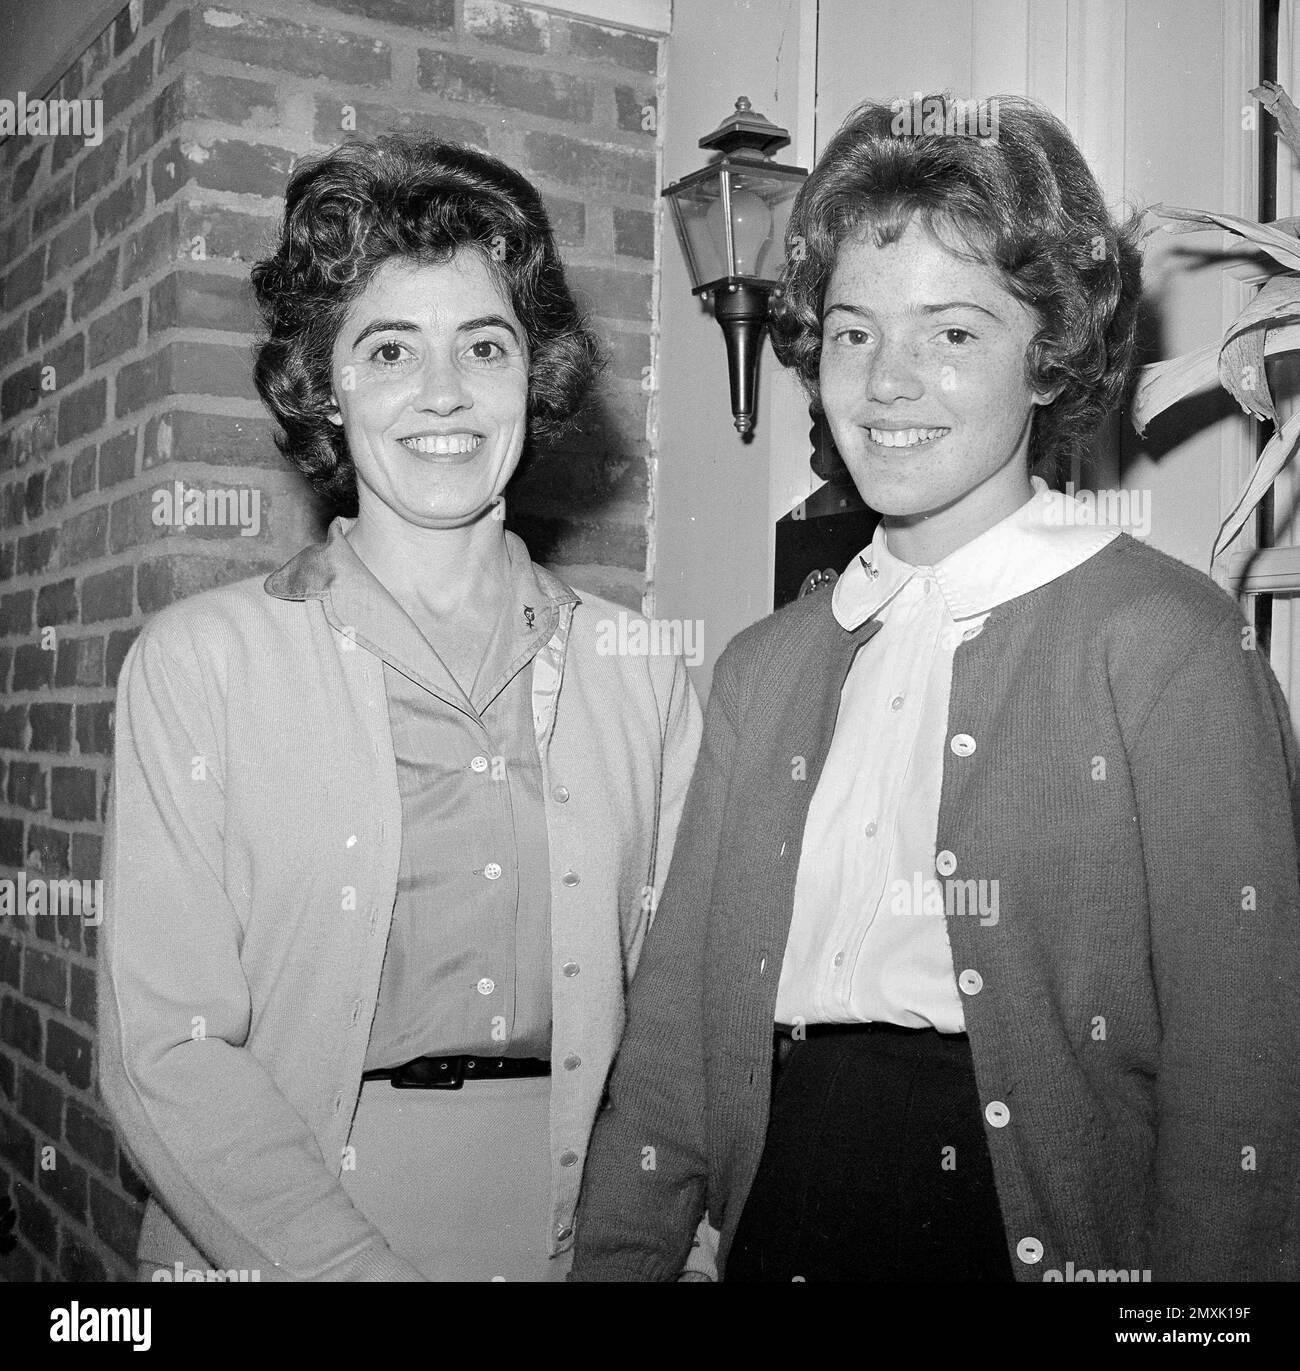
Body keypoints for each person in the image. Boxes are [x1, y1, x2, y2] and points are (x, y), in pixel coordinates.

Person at [569, 94, 1300, 1282]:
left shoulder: (1167, 642)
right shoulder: (766, 667)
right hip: (787, 1210)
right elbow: (673, 1043)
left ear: (1049, 351)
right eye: (854, 333)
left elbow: (1246, 1078)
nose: (888, 381)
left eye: (952, 333)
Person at [98, 135, 702, 1282]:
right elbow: (160, 1051)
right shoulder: (201, 665)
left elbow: (682, 1034)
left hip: (579, 1237)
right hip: (279, 1235)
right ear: (325, 384)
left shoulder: (641, 669)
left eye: (485, 345)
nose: (444, 393)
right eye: (388, 349)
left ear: (536, 373)